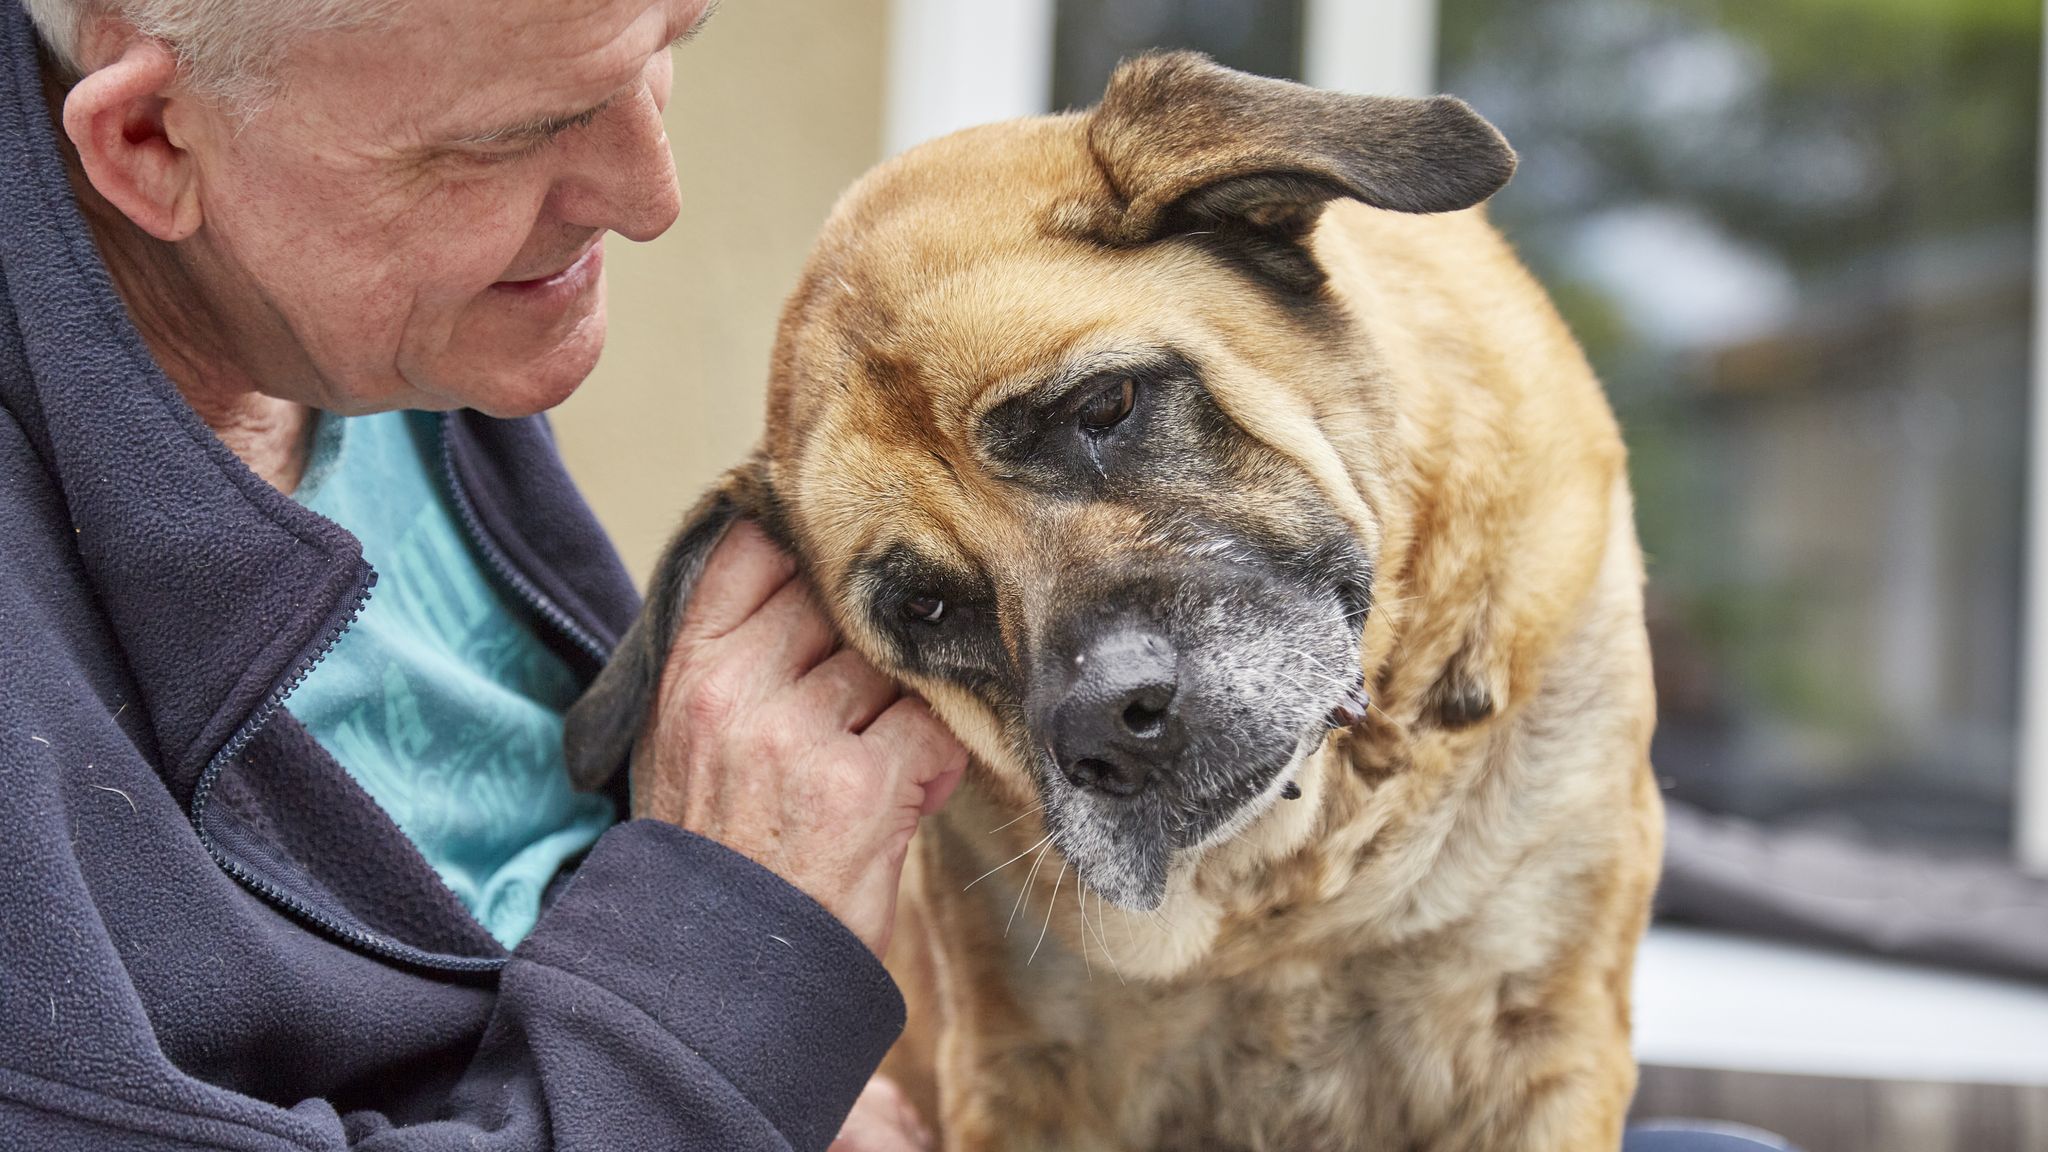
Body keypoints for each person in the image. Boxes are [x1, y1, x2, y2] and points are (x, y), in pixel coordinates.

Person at [0, 0, 962, 1147]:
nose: (652, 199)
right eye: (514, 139)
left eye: (668, 44)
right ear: (150, 141)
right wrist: (721, 1012)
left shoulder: (349, 296)